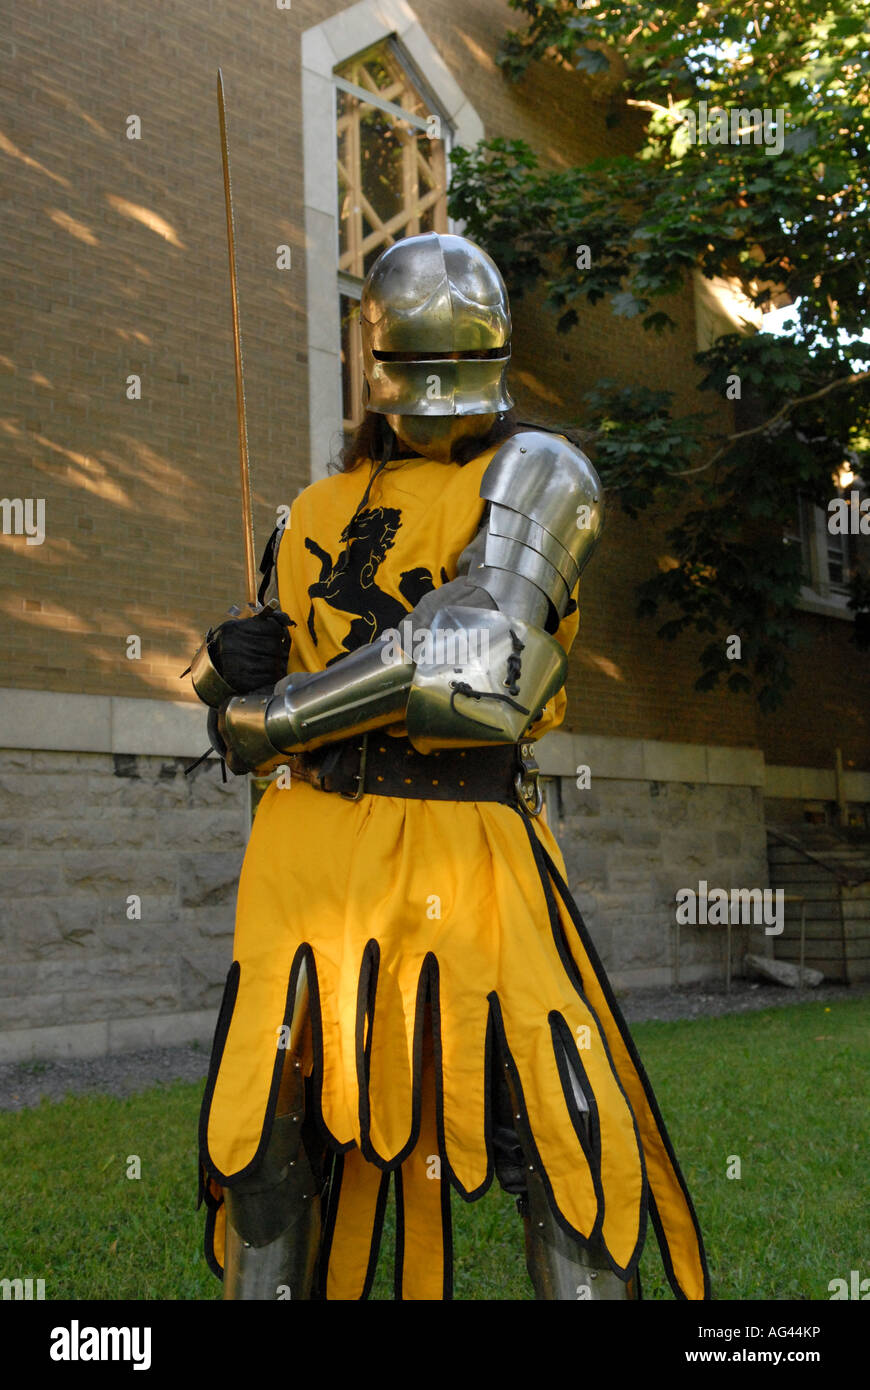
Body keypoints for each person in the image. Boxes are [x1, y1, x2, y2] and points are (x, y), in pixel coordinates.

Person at [190, 231, 709, 1301]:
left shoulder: (538, 470)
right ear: (375, 372)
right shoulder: (311, 512)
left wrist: (279, 712)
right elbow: (244, 678)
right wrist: (220, 669)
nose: (431, 400)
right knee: (267, 1144)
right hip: (305, 866)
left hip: (471, 849)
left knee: (562, 1136)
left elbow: (479, 668)